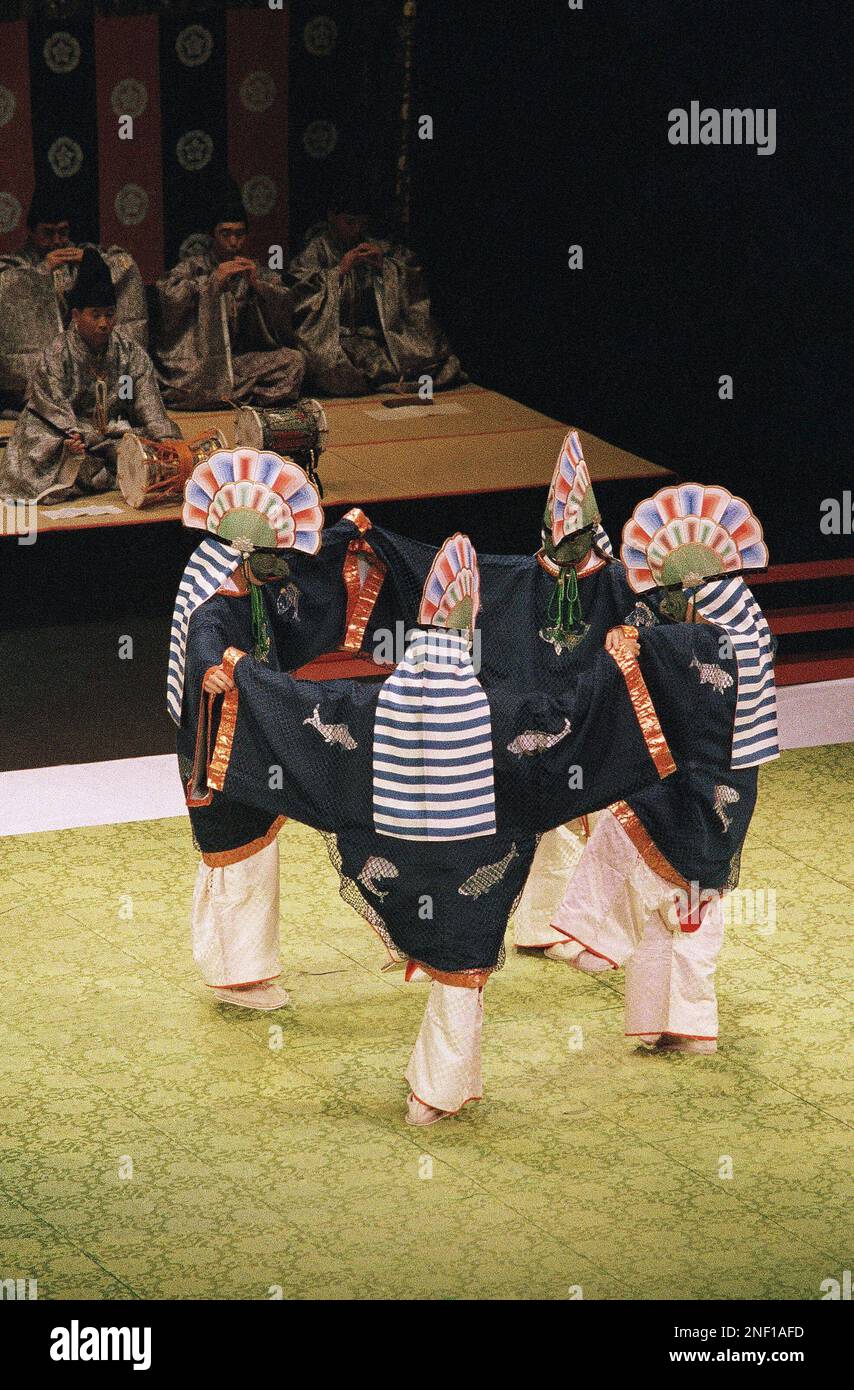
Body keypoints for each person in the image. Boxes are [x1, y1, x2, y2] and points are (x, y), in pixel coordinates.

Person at [177, 485, 722, 1122]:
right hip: (473, 872)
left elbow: (318, 721)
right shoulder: (493, 716)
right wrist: (626, 673)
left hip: (399, 860)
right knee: (463, 976)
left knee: (470, 918)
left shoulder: (380, 710)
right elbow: (555, 730)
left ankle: (455, 1019)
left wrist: (241, 679)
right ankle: (433, 1095)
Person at [541, 484, 779, 1052]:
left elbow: (683, 656)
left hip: (701, 784)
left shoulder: (726, 637)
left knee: (632, 836)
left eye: (677, 591)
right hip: (723, 787)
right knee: (687, 907)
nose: (668, 600)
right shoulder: (738, 621)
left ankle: (591, 936)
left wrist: (636, 647)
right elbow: (648, 601)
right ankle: (682, 1026)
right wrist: (595, 536)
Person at [169, 447, 325, 1008]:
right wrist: (211, 671)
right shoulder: (214, 606)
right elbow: (205, 642)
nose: (282, 567)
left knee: (251, 855)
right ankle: (240, 975)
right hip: (219, 749)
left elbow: (306, 592)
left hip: (247, 738)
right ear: (241, 555)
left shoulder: (254, 591)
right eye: (270, 557)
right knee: (238, 852)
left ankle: (237, 965)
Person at [0, 247, 177, 503]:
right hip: (71, 434)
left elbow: (147, 403)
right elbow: (53, 410)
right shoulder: (57, 355)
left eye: (110, 314)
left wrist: (165, 439)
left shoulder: (129, 354)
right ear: (76, 315)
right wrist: (74, 437)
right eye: (95, 315)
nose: (104, 323)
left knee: (156, 448)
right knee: (42, 449)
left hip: (116, 434)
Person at [288, 182, 465, 396]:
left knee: (432, 356)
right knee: (329, 368)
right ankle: (381, 381)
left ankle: (386, 380)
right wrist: (338, 272)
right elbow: (297, 294)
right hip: (334, 337)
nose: (356, 230)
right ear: (332, 217)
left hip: (376, 335)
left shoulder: (378, 246)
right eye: (349, 222)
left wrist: (386, 268)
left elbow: (413, 281)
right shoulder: (316, 249)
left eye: (361, 223)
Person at [155, 186, 305, 408]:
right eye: (225, 234)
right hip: (200, 364)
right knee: (186, 386)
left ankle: (229, 395)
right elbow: (168, 296)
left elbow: (286, 301)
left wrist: (258, 285)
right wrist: (212, 282)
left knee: (294, 362)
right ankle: (237, 394)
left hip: (238, 361)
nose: (233, 242)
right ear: (212, 235)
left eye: (239, 234)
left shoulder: (253, 268)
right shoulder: (193, 266)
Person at [0, 187, 147, 411]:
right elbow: (6, 284)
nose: (57, 241)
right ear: (30, 231)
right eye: (47, 233)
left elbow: (125, 266)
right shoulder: (17, 264)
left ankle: (115, 399)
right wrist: (41, 271)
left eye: (63, 232)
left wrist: (92, 261)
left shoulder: (83, 253)